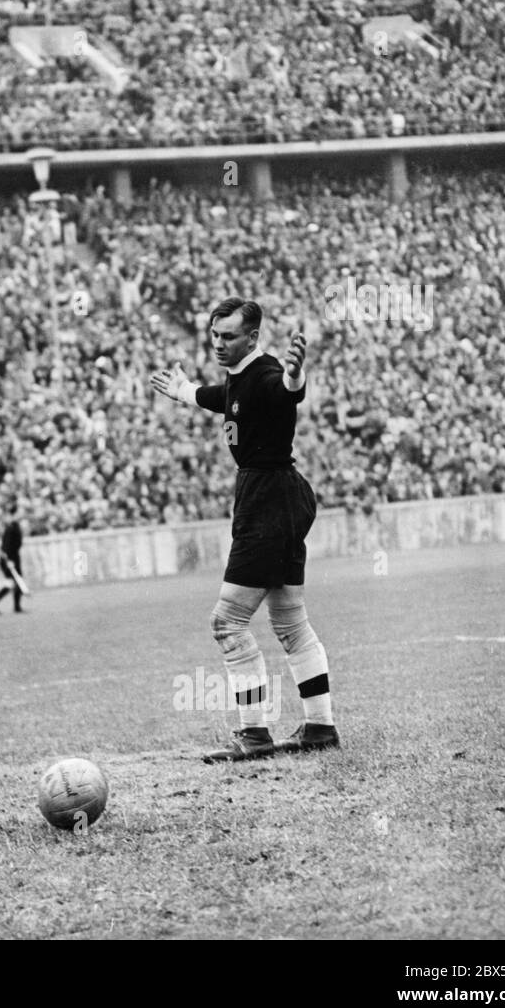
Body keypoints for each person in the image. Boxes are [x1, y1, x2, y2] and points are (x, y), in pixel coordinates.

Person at [151, 298, 338, 762]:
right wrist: (184, 391)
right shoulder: (240, 377)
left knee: (227, 622)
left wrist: (296, 376)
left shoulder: (267, 373)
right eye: (214, 335)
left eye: (229, 336)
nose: (218, 344)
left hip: (269, 502)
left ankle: (254, 733)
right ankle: (320, 727)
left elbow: (284, 391)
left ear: (252, 337)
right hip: (279, 497)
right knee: (290, 622)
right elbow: (220, 397)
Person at [0, 511, 26, 614]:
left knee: (14, 583)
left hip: (13, 558)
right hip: (9, 560)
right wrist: (9, 560)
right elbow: (6, 547)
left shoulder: (14, 527)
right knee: (14, 582)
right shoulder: (11, 529)